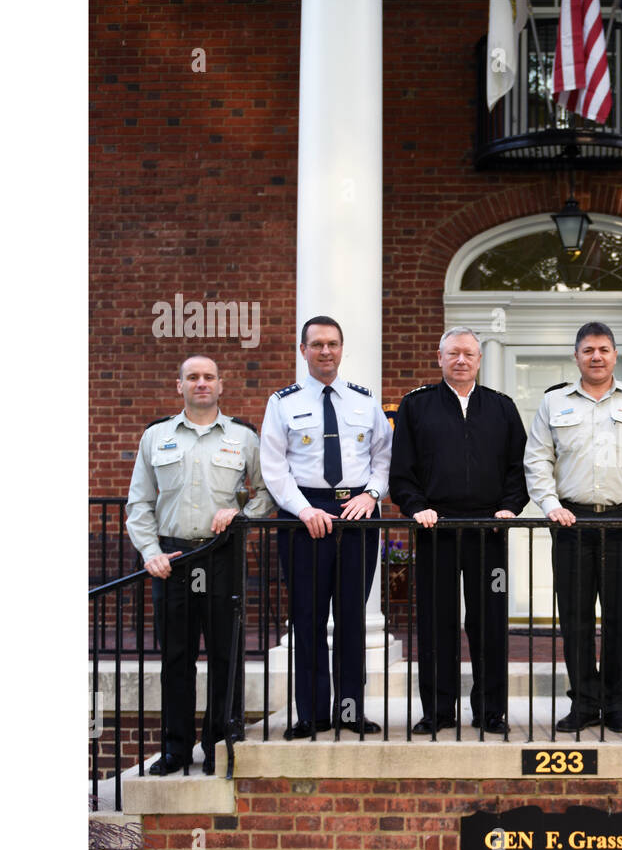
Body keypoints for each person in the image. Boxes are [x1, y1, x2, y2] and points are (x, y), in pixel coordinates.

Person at [126, 355, 273, 776]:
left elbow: (266, 494)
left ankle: (218, 745)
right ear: (180, 386)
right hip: (171, 559)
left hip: (221, 555)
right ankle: (175, 749)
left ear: (221, 385)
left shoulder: (244, 438)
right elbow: (139, 502)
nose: (201, 383)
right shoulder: (156, 436)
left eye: (209, 377)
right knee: (176, 656)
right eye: (193, 377)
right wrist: (149, 551)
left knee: (226, 655)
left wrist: (239, 513)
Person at [523, 322, 622, 735]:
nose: (596, 357)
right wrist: (550, 505)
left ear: (615, 355)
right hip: (570, 522)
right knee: (575, 619)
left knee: (621, 618)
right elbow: (538, 459)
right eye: (588, 350)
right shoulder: (554, 403)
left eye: (604, 349)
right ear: (576, 356)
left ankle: (616, 703)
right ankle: (584, 703)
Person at [389, 327, 527, 736]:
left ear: (479, 360)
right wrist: (416, 508)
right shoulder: (416, 407)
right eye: (453, 354)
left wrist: (509, 506)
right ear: (440, 358)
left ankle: (490, 711)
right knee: (436, 622)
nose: (461, 360)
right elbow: (402, 470)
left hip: (489, 532)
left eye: (468, 353)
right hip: (436, 529)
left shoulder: (501, 408)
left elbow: (519, 467)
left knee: (489, 623)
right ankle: (438, 710)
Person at [260, 316, 392, 738]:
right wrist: (303, 510)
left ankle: (351, 711)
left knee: (352, 616)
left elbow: (383, 457)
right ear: (303, 350)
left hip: (357, 512)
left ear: (341, 348)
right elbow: (274, 466)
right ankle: (312, 715)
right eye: (316, 344)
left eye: (332, 344)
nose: (326, 352)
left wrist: (371, 495)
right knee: (308, 618)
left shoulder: (364, 400)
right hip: (304, 515)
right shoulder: (282, 402)